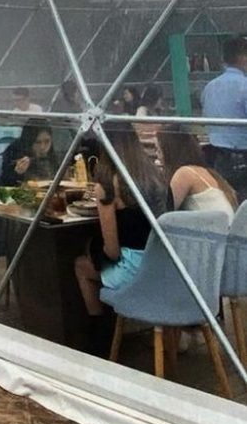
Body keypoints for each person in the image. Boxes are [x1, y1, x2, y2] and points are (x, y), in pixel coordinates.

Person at [73, 123, 167, 353]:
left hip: (133, 271)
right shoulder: (156, 177)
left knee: (81, 265)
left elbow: (112, 251)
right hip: (162, 267)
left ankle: (100, 336)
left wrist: (92, 251)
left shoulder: (108, 185)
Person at [201, 35, 247, 197]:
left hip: (217, 159)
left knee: (227, 200)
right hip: (243, 157)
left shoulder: (209, 88)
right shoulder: (244, 86)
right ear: (243, 57)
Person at [157, 126, 237, 217]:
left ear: (169, 152)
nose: (157, 156)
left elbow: (163, 213)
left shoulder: (185, 173)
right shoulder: (205, 172)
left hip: (210, 229)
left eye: (159, 150)